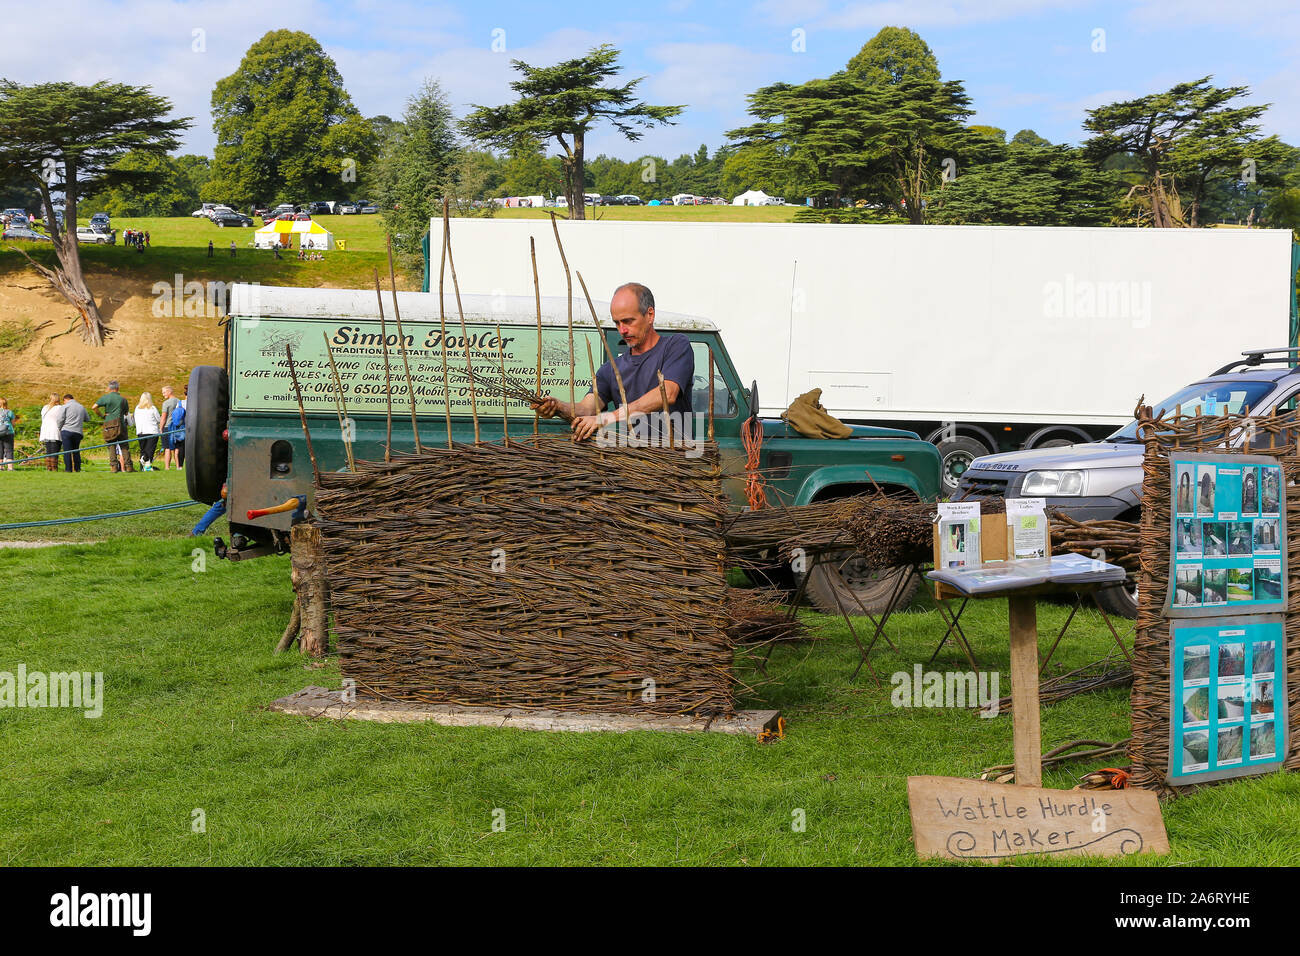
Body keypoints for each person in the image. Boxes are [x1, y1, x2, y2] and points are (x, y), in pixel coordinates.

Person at [533, 282, 693, 442]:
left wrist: (607, 418)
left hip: (674, 454)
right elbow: (587, 409)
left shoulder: (675, 346)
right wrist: (558, 406)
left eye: (628, 321)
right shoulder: (610, 370)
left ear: (650, 315)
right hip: (633, 456)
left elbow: (668, 393)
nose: (622, 330)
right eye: (617, 323)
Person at [92, 380, 133, 473]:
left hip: (109, 424)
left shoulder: (105, 397)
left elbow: (94, 407)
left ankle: (114, 467)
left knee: (111, 445)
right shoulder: (123, 399)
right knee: (124, 446)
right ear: (117, 388)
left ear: (109, 388)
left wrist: (102, 415)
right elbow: (126, 413)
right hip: (121, 424)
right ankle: (129, 467)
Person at [60, 393, 88, 472]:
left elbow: (60, 419)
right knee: (76, 450)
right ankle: (77, 468)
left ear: (65, 399)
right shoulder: (81, 407)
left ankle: (68, 469)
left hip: (67, 431)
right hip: (78, 432)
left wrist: (59, 428)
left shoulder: (65, 406)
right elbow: (87, 419)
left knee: (67, 451)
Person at [134, 391, 161, 470]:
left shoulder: (137, 408)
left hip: (141, 432)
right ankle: (147, 466)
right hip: (152, 432)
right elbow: (158, 419)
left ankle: (142, 467)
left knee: (143, 450)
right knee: (150, 450)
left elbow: (135, 419)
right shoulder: (152, 408)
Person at [39, 393, 64, 471]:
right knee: (55, 451)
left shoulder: (45, 407)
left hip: (46, 431)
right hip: (55, 431)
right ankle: (54, 468)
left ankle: (49, 467)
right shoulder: (60, 408)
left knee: (48, 451)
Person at [159, 385, 180, 470]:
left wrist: (161, 428)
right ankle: (178, 466)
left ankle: (167, 467)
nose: (163, 394)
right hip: (177, 427)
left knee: (167, 448)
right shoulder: (179, 401)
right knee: (176, 448)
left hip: (167, 427)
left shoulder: (166, 403)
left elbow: (163, 417)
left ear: (169, 391)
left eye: (164, 392)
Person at [0, 397, 17, 470]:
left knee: (0, 450)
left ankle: (0, 467)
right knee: (9, 450)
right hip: (8, 432)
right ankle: (10, 467)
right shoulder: (9, 412)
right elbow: (13, 424)